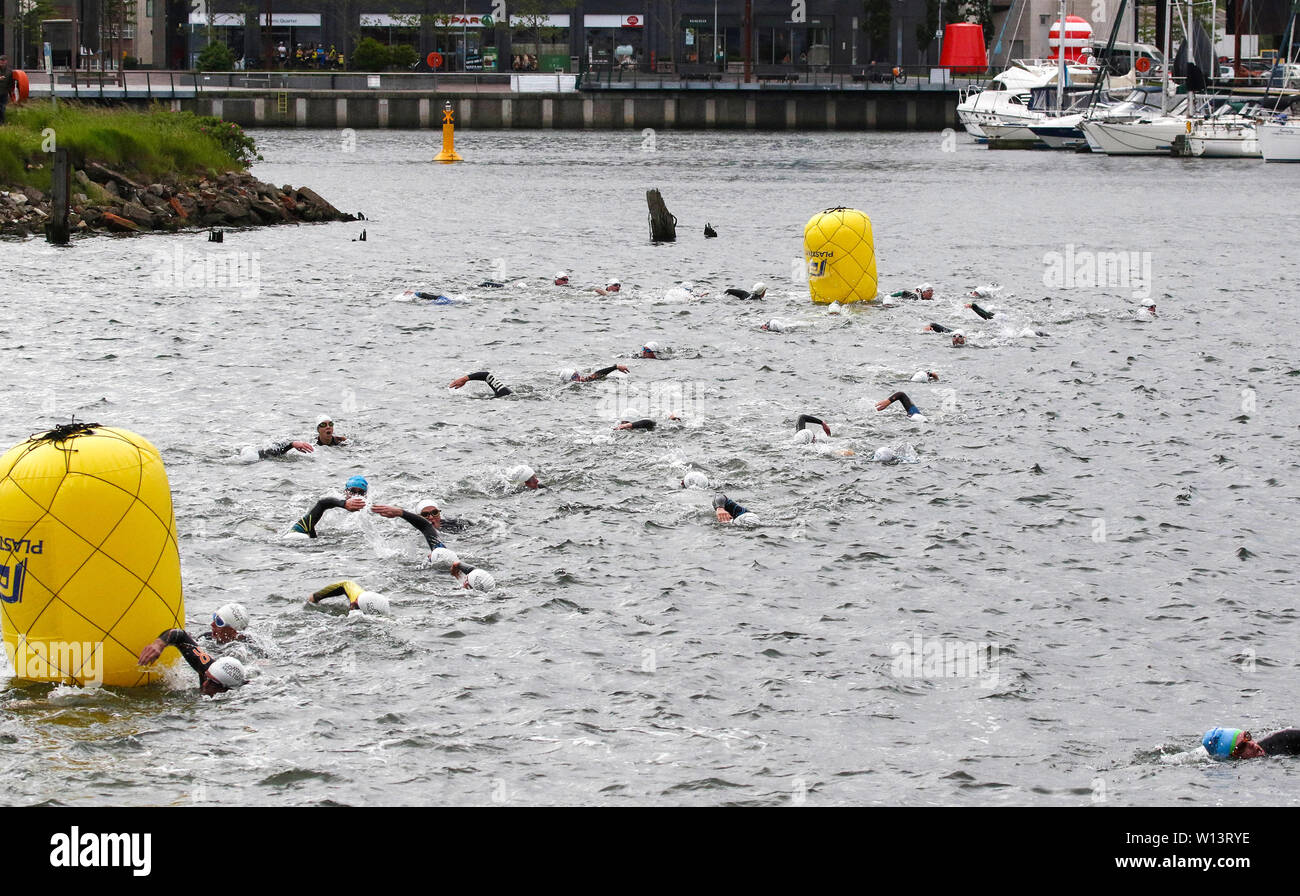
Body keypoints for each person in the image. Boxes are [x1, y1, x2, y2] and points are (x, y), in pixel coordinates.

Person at [137, 628, 247, 695]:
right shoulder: (208, 666)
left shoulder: (234, 697)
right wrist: (158, 645)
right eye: (207, 677)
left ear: (225, 690)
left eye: (212, 683)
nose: (205, 683)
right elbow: (180, 635)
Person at [369, 497, 466, 551]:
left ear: (440, 514)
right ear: (418, 517)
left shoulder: (455, 524)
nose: (431, 517)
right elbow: (425, 526)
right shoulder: (413, 533)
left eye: (435, 512)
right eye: (425, 515)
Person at [291, 475, 369, 537]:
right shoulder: (335, 504)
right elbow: (322, 503)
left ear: (366, 495)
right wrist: (344, 504)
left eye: (361, 492)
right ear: (346, 491)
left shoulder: (367, 511)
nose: (356, 495)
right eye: (352, 491)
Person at [1202, 726, 1300, 759]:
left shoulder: (1283, 739)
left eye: (1247, 737)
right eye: (1242, 746)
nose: (1252, 744)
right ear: (1233, 756)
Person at [309, 579, 389, 613]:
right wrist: (317, 596)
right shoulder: (356, 596)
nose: (352, 604)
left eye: (355, 604)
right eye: (357, 599)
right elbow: (346, 584)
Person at [560, 364, 629, 383]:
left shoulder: (584, 380)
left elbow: (598, 374)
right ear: (570, 380)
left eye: (577, 374)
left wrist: (615, 367)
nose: (579, 377)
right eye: (575, 376)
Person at [0, 56, 13, 126]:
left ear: (6, 61)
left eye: (3, 60)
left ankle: (2, 122)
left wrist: (11, 94)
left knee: (2, 108)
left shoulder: (9, 71)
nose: (1, 62)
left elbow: (10, 83)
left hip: (4, 93)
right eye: (0, 60)